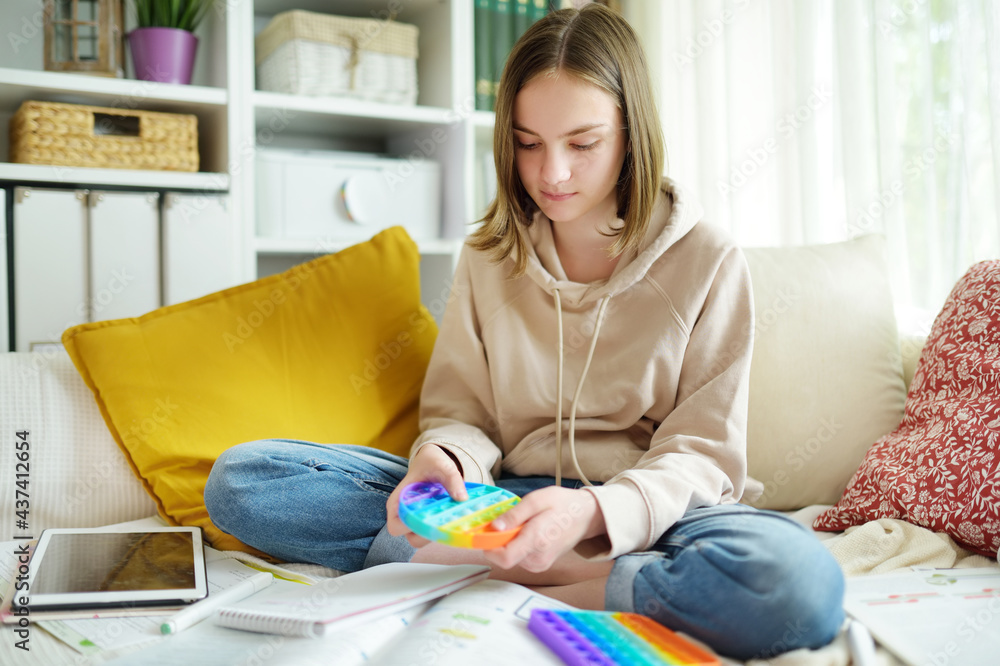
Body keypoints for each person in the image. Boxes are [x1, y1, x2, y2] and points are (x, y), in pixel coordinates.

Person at [205, 5, 844, 660]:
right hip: (503, 500)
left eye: (583, 143)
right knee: (246, 480)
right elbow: (463, 414)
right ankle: (524, 565)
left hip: (650, 516)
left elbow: (701, 454)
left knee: (796, 583)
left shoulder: (708, 258)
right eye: (528, 142)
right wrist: (443, 461)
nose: (552, 174)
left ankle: (529, 575)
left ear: (632, 134)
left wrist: (596, 516)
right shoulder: (488, 255)